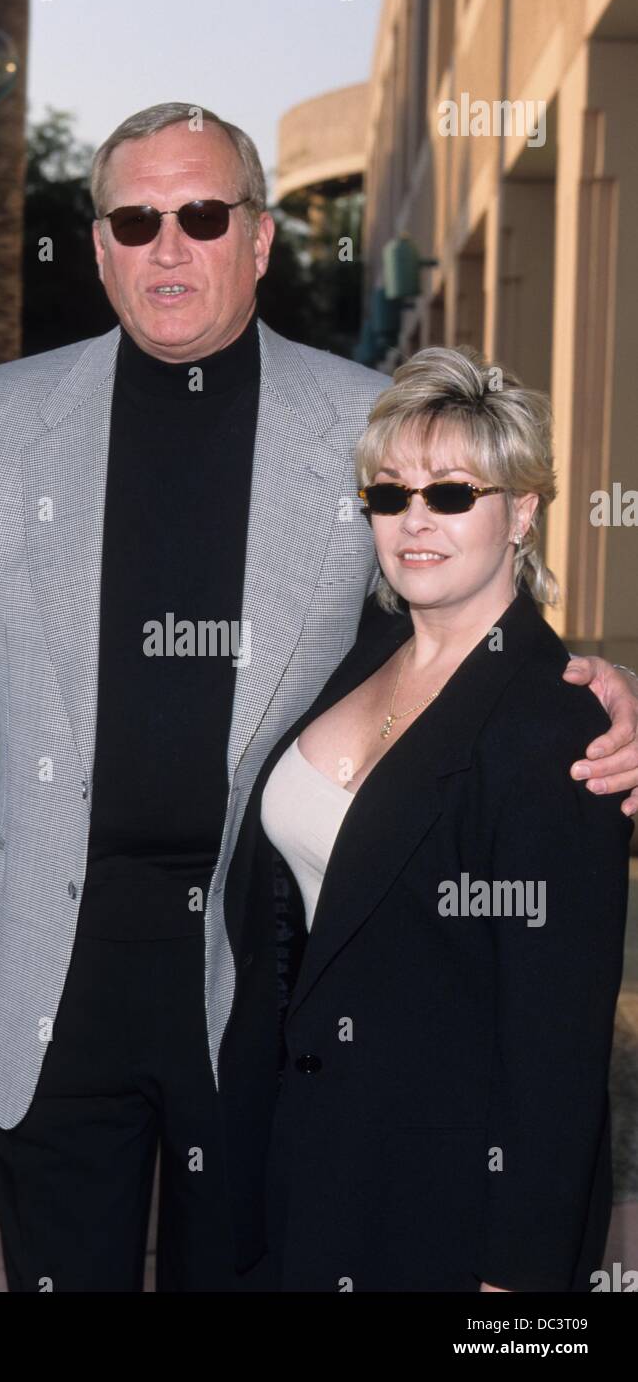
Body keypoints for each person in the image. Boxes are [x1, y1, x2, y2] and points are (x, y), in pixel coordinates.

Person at [0, 101, 638, 1293]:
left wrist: (600, 680)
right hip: (47, 972)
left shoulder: (361, 424)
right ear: (103, 243)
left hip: (257, 983)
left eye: (203, 214)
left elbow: (455, 600)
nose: (168, 245)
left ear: (261, 239)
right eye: (135, 219)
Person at [220, 346, 634, 1292]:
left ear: (523, 510)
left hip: (445, 1205)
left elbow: (557, 1044)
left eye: (453, 494)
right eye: (390, 493)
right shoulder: (364, 650)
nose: (416, 521)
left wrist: (514, 1279)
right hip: (311, 1162)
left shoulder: (555, 726)